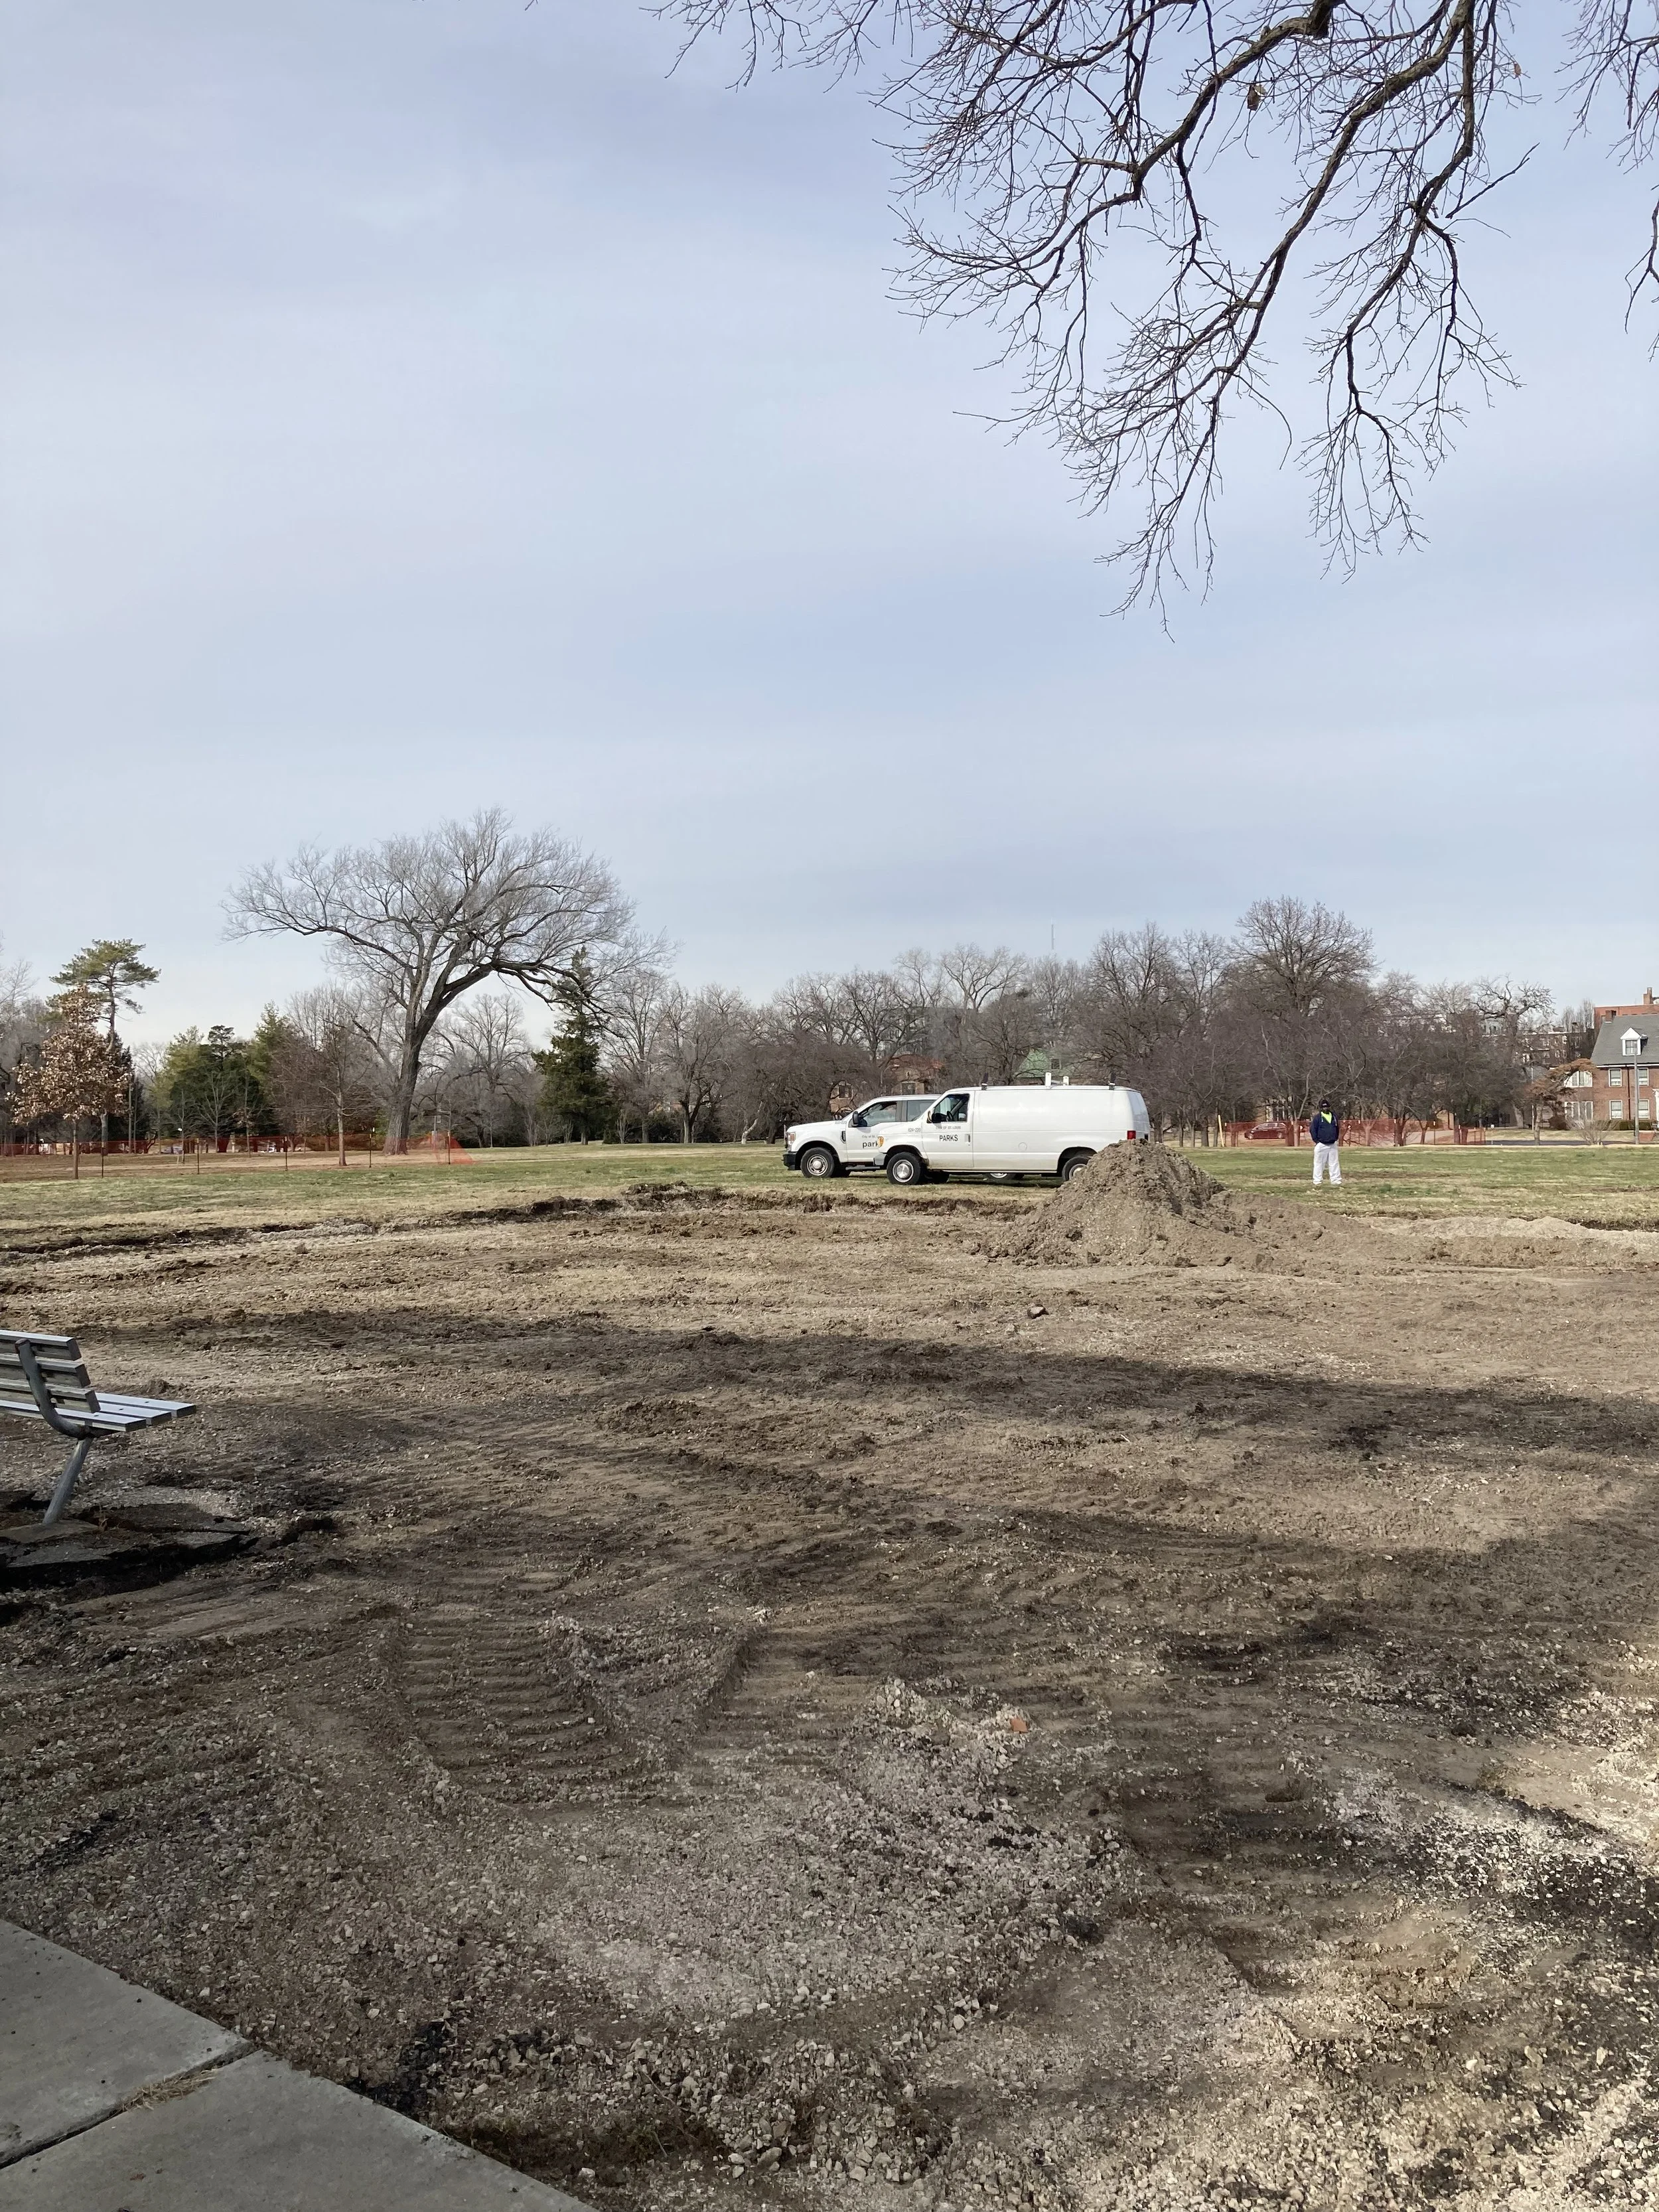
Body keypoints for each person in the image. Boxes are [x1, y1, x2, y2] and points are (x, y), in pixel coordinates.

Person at [1309, 1097, 1341, 1186]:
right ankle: (1317, 1181)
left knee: (1334, 1163)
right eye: (1323, 1107)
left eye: (1327, 1107)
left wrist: (1335, 1138)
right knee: (1319, 1164)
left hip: (1332, 1144)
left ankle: (1336, 1181)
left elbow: (1337, 1128)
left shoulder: (1334, 1116)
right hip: (1321, 1144)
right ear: (1321, 1108)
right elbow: (1313, 1130)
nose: (1325, 1108)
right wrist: (1317, 1141)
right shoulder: (1318, 1118)